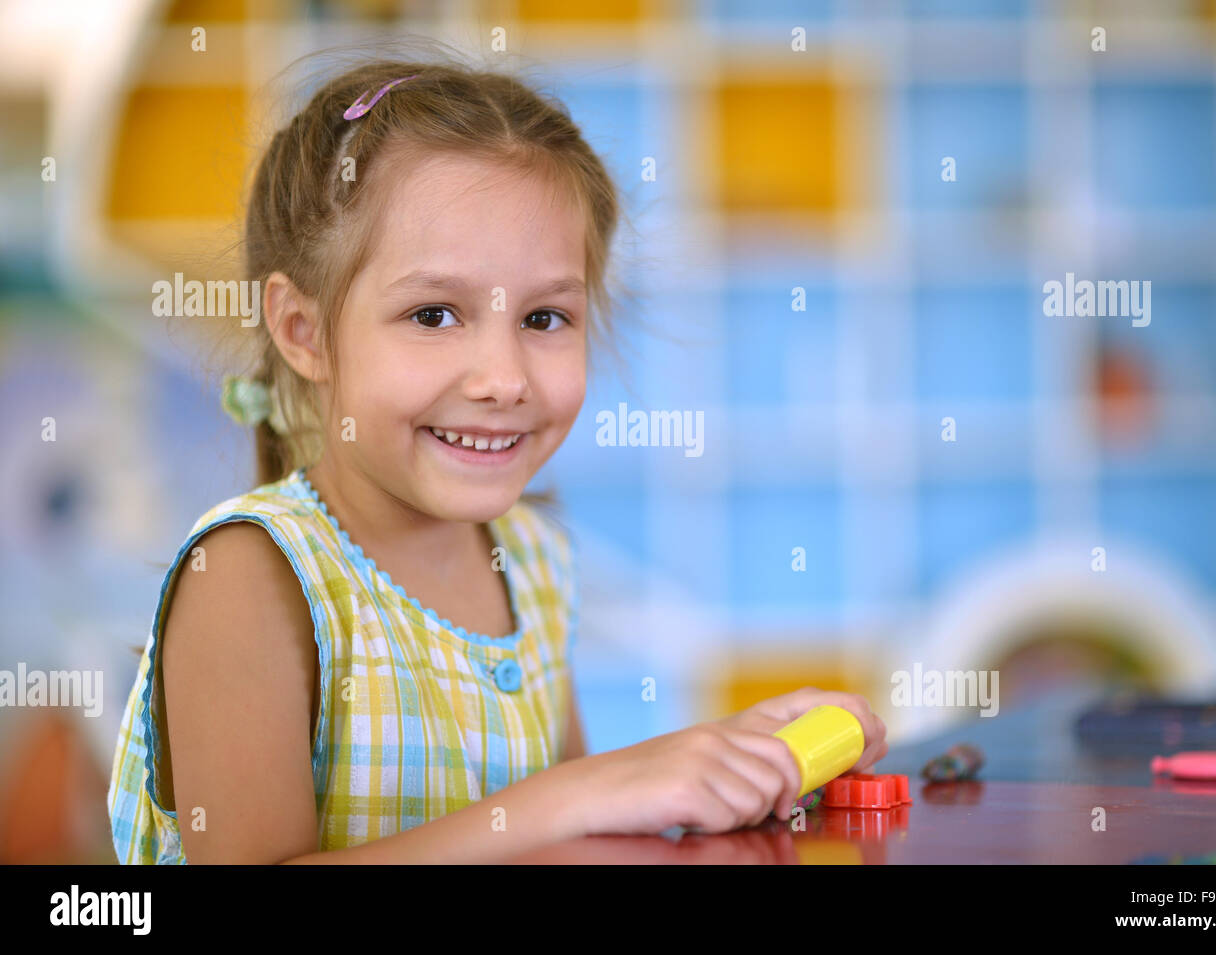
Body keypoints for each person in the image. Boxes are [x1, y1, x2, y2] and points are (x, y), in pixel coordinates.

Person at [106, 54, 887, 864]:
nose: (505, 379)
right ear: (303, 332)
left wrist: (715, 764)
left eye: (546, 318)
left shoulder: (534, 561)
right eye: (435, 313)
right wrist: (577, 793)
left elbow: (581, 840)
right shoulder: (249, 574)